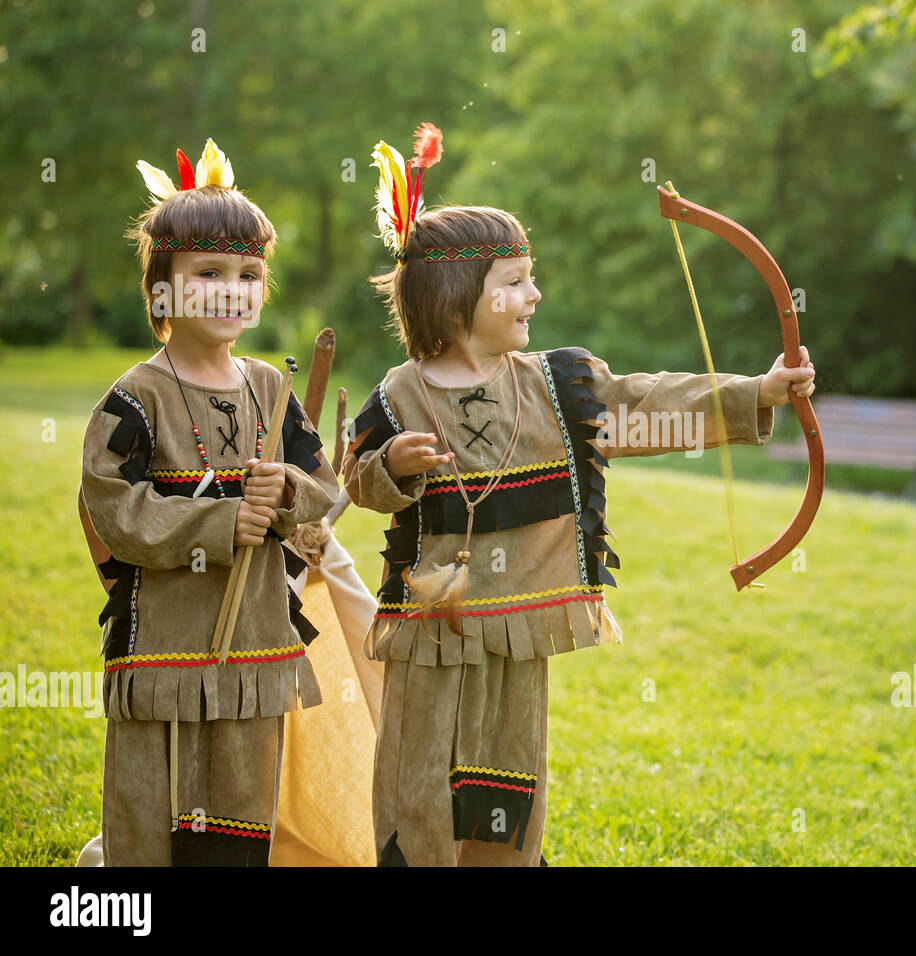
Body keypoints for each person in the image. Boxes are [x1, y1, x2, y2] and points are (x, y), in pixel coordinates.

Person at [343, 124, 816, 866]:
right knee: (418, 781)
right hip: (434, 631)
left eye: (531, 276)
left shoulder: (556, 384)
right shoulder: (399, 393)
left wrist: (756, 391)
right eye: (514, 281)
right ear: (455, 296)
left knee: (507, 784)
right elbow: (360, 482)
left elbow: (647, 400)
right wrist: (395, 467)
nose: (535, 293)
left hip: (526, 620)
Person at [78, 139, 340, 865]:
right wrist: (223, 520)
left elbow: (323, 487)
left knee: (235, 823)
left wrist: (285, 492)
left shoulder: (269, 389)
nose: (232, 289)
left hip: (254, 647)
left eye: (249, 274)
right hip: (161, 649)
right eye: (208, 272)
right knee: (147, 824)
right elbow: (112, 511)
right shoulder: (136, 397)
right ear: (161, 290)